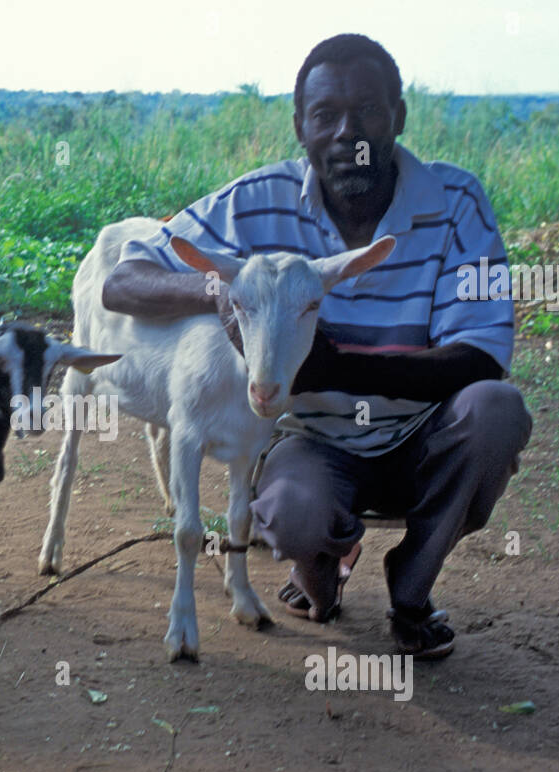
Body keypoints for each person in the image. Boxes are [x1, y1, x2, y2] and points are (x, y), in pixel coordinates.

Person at [102, 34, 533, 659]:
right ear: (300, 127)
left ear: (399, 117)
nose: (347, 132)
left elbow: (482, 356)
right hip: (312, 441)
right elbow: (122, 280)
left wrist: (339, 368)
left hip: (423, 434)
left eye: (368, 112)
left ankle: (412, 586)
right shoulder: (255, 203)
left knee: (497, 410)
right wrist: (219, 290)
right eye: (326, 115)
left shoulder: (459, 202)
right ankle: (320, 566)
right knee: (295, 511)